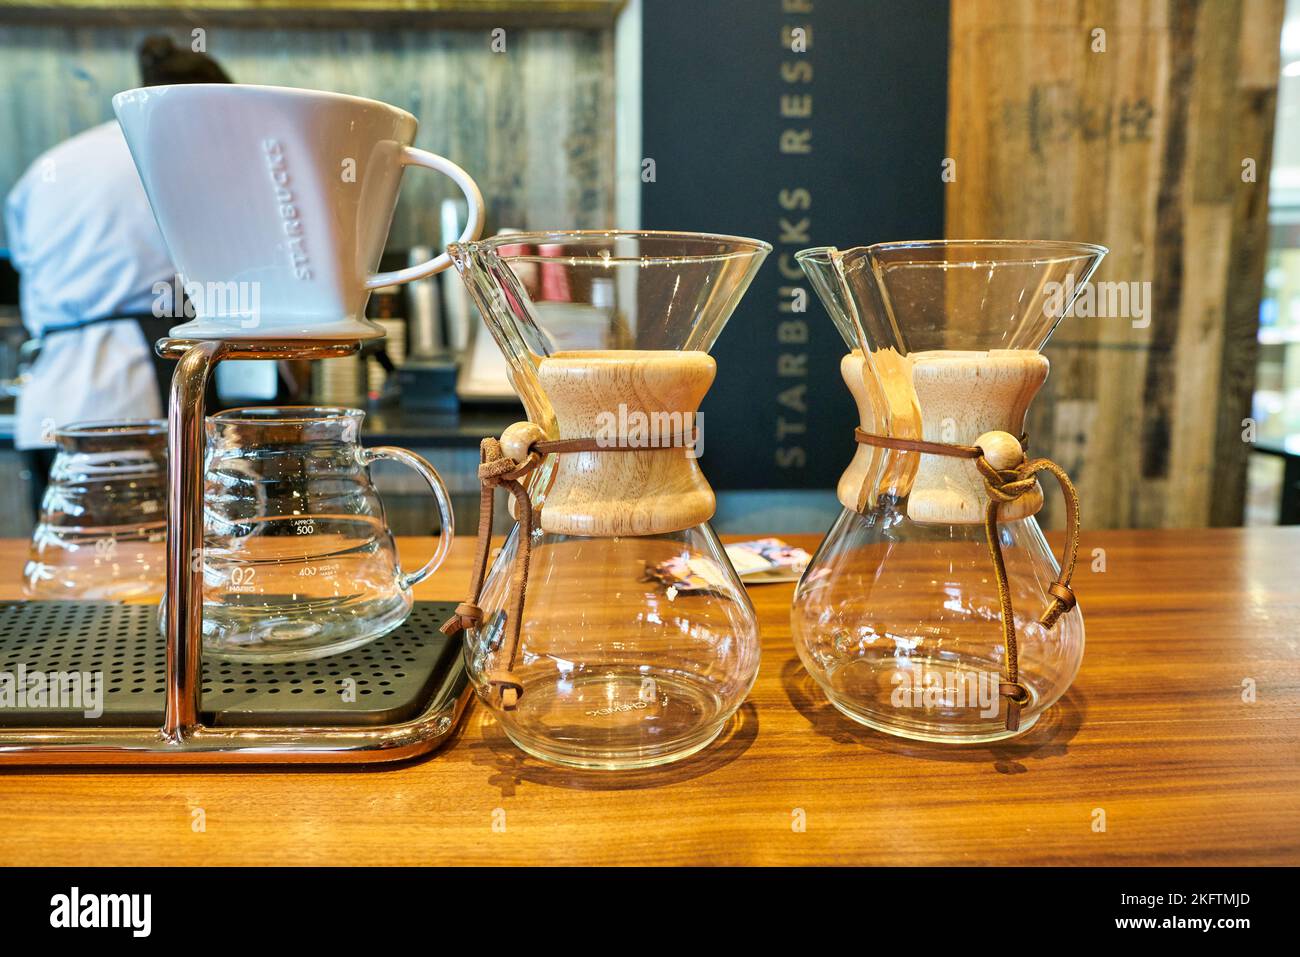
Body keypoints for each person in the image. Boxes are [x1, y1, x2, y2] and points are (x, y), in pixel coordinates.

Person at [3, 36, 231, 514]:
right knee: (151, 569)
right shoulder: (184, 158)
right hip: (137, 401)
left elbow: (26, 266)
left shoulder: (56, 163)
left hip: (49, 402)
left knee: (68, 569)